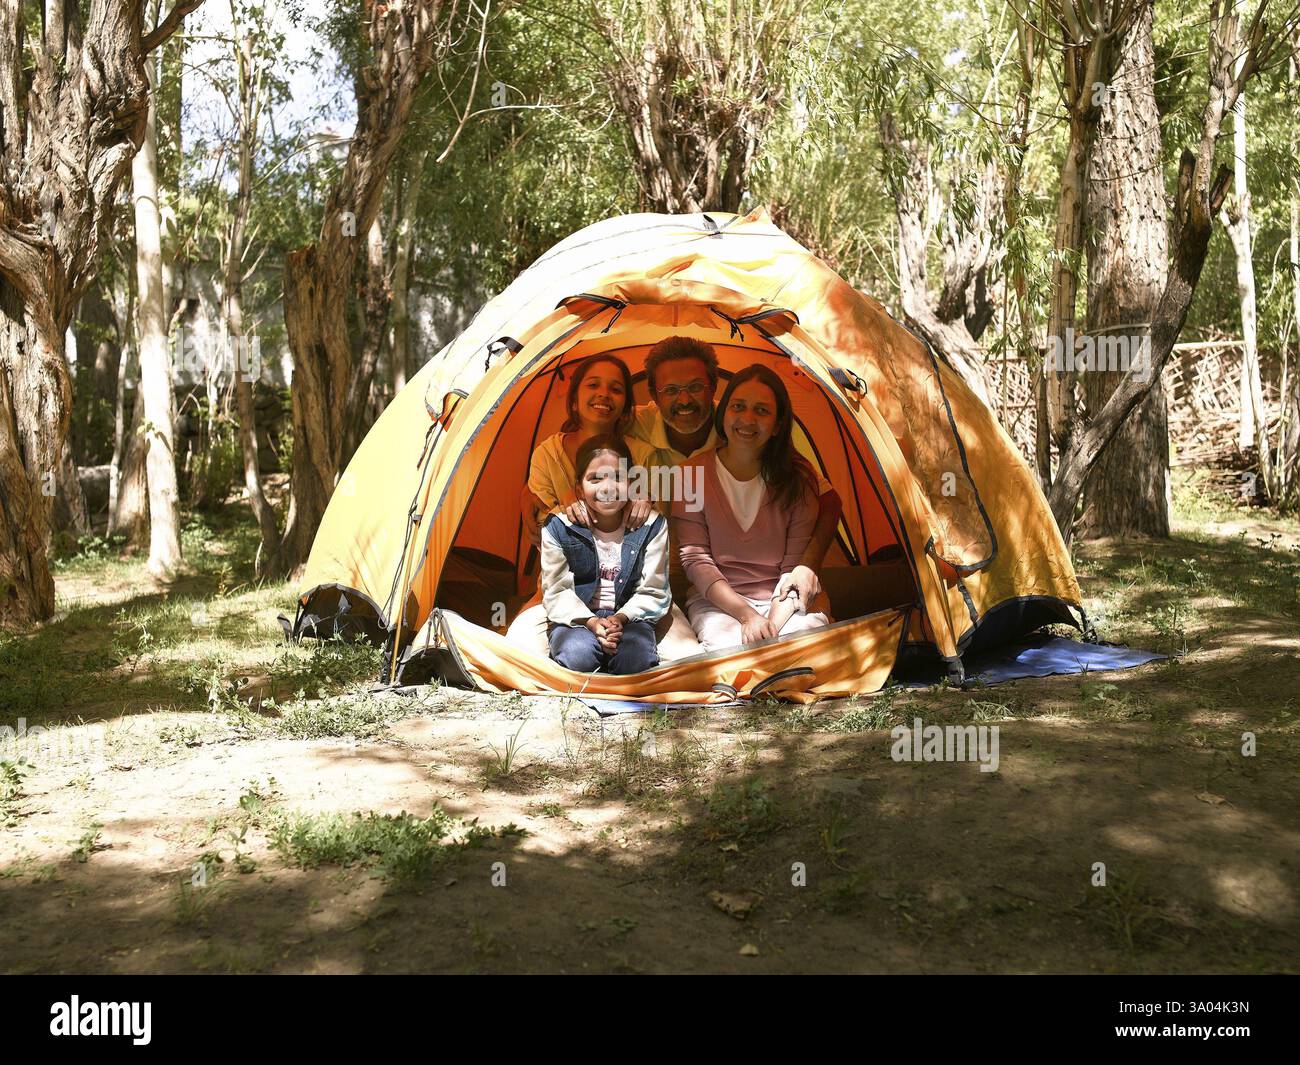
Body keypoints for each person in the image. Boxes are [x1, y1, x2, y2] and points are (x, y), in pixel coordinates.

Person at [565, 336, 842, 609]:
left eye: (695, 387)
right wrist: (536, 492)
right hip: (650, 575)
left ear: (713, 387)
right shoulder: (633, 425)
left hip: (726, 581)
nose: (684, 400)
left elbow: (827, 497)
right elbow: (584, 436)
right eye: (670, 390)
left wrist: (807, 566)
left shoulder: (742, 425)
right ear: (654, 395)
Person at [673, 364, 831, 652]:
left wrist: (770, 625)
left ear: (778, 426)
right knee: (729, 649)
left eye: (761, 411)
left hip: (784, 599)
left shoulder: (799, 478)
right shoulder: (690, 475)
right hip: (719, 602)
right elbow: (695, 560)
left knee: (806, 644)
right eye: (738, 406)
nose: (747, 419)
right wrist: (747, 617)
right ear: (724, 414)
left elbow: (793, 568)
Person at [541, 435, 669, 674]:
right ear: (579, 488)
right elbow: (556, 590)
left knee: (636, 659)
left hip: (630, 616)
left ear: (632, 483)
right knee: (577, 656)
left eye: (618, 477)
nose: (607, 488)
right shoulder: (559, 526)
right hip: (579, 617)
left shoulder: (651, 525)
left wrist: (619, 619)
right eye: (595, 479)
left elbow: (654, 589)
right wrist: (591, 622)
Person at [520, 353, 653, 543]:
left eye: (615, 389)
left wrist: (581, 499)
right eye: (593, 385)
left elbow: (644, 528)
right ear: (574, 401)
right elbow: (544, 531)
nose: (604, 394)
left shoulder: (642, 454)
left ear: (625, 408)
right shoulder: (547, 455)